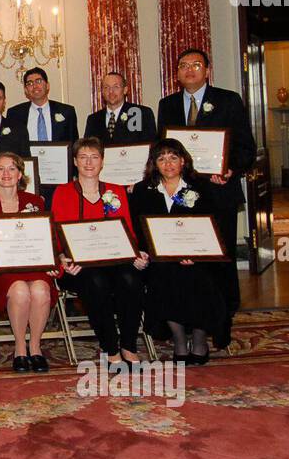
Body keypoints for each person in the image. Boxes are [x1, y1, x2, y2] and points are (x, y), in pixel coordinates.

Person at [155, 48, 257, 341]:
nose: (189, 70)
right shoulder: (168, 105)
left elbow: (246, 149)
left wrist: (230, 169)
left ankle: (221, 326)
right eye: (183, 65)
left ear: (207, 70)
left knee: (217, 261)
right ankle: (184, 323)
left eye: (196, 65)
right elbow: (164, 151)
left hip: (218, 193)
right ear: (176, 73)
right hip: (180, 196)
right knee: (182, 259)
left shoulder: (228, 101)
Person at [51, 137, 149, 367]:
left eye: (94, 157)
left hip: (115, 260)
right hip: (79, 265)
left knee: (131, 280)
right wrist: (62, 258)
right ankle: (110, 346)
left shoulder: (115, 191)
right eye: (83, 157)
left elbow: (128, 232)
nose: (89, 162)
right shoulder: (63, 192)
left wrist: (137, 254)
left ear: (102, 162)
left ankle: (128, 344)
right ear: (75, 161)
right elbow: (56, 234)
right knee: (96, 282)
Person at [130, 138, 227, 364]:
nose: (168, 163)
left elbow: (214, 225)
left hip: (198, 257)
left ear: (183, 161)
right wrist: (144, 252)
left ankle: (200, 340)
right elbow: (138, 228)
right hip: (160, 258)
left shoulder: (201, 187)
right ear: (154, 163)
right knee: (165, 276)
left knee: (199, 277)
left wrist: (197, 254)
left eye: (173, 157)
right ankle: (180, 339)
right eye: (161, 159)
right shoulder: (143, 190)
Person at [0, 153, 55, 371]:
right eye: (0, 169)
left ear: (20, 174)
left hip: (33, 264)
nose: (6, 174)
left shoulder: (35, 202)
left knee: (40, 290)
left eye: (12, 169)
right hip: (1, 269)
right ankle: (20, 347)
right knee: (19, 291)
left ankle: (35, 347)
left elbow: (48, 237)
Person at [7, 67, 79, 145]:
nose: (35, 86)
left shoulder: (66, 112)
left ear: (47, 85)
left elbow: (74, 144)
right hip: (27, 157)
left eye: (38, 81)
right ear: (26, 90)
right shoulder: (15, 114)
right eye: (30, 83)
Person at [84, 71, 157, 144]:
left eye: (116, 87)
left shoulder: (140, 113)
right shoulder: (93, 119)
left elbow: (150, 145)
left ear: (125, 90)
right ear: (102, 92)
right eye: (106, 87)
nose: (111, 91)